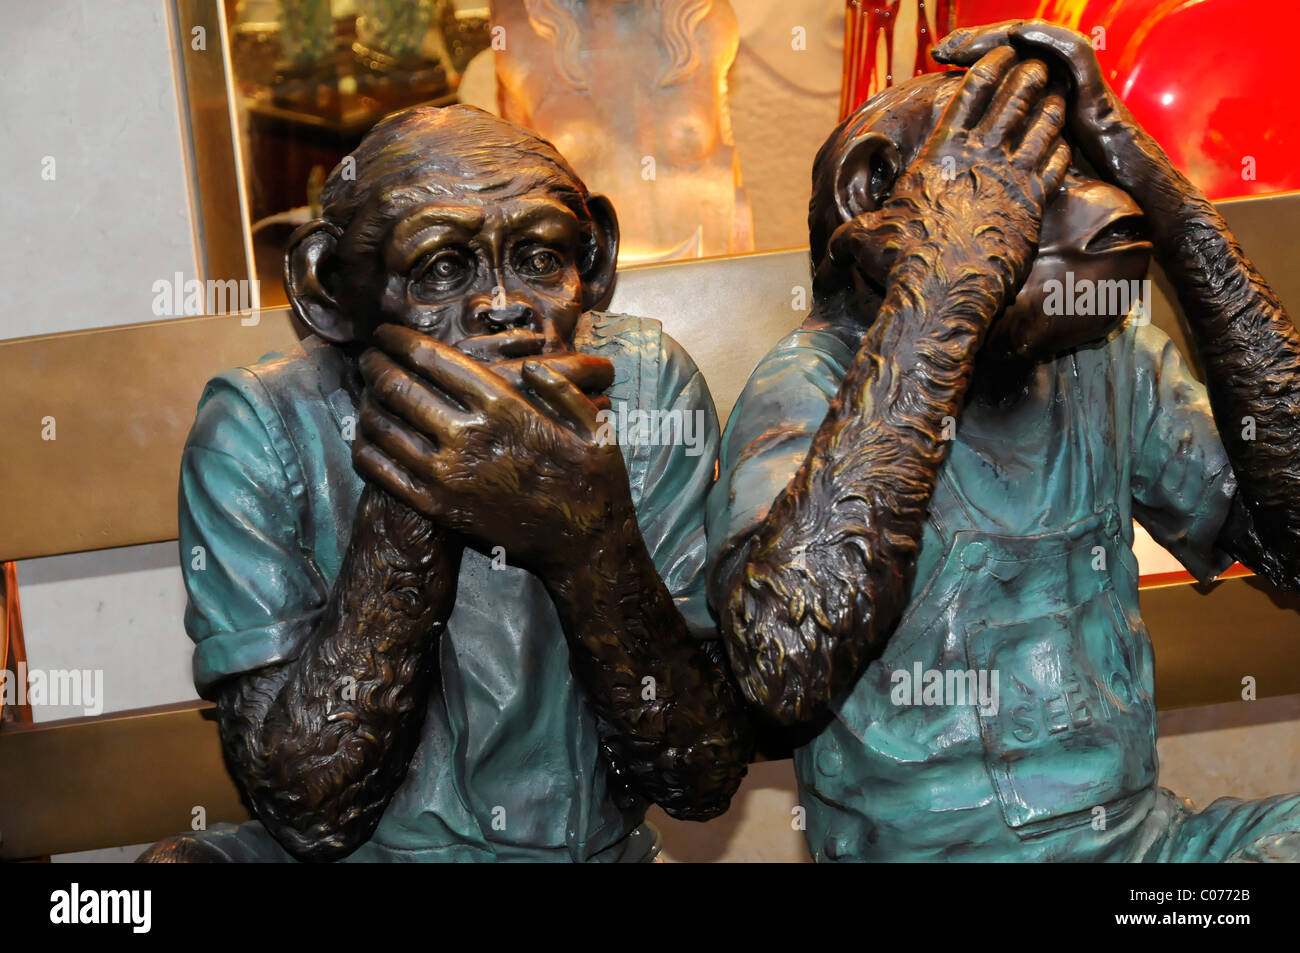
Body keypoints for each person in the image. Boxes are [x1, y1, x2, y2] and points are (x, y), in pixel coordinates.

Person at [708, 22, 1300, 862]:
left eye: (1078, 170)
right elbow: (781, 664)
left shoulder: (1105, 359)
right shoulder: (812, 383)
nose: (1098, 209)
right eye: (1025, 179)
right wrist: (945, 289)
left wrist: (1174, 208)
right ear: (873, 193)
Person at [141, 105, 752, 863]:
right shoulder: (257, 429)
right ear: (327, 290)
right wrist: (418, 489)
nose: (502, 305)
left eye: (537, 259)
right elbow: (309, 809)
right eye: (441, 268)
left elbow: (700, 775)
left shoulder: (646, 387)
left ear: (592, 267)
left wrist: (591, 542)